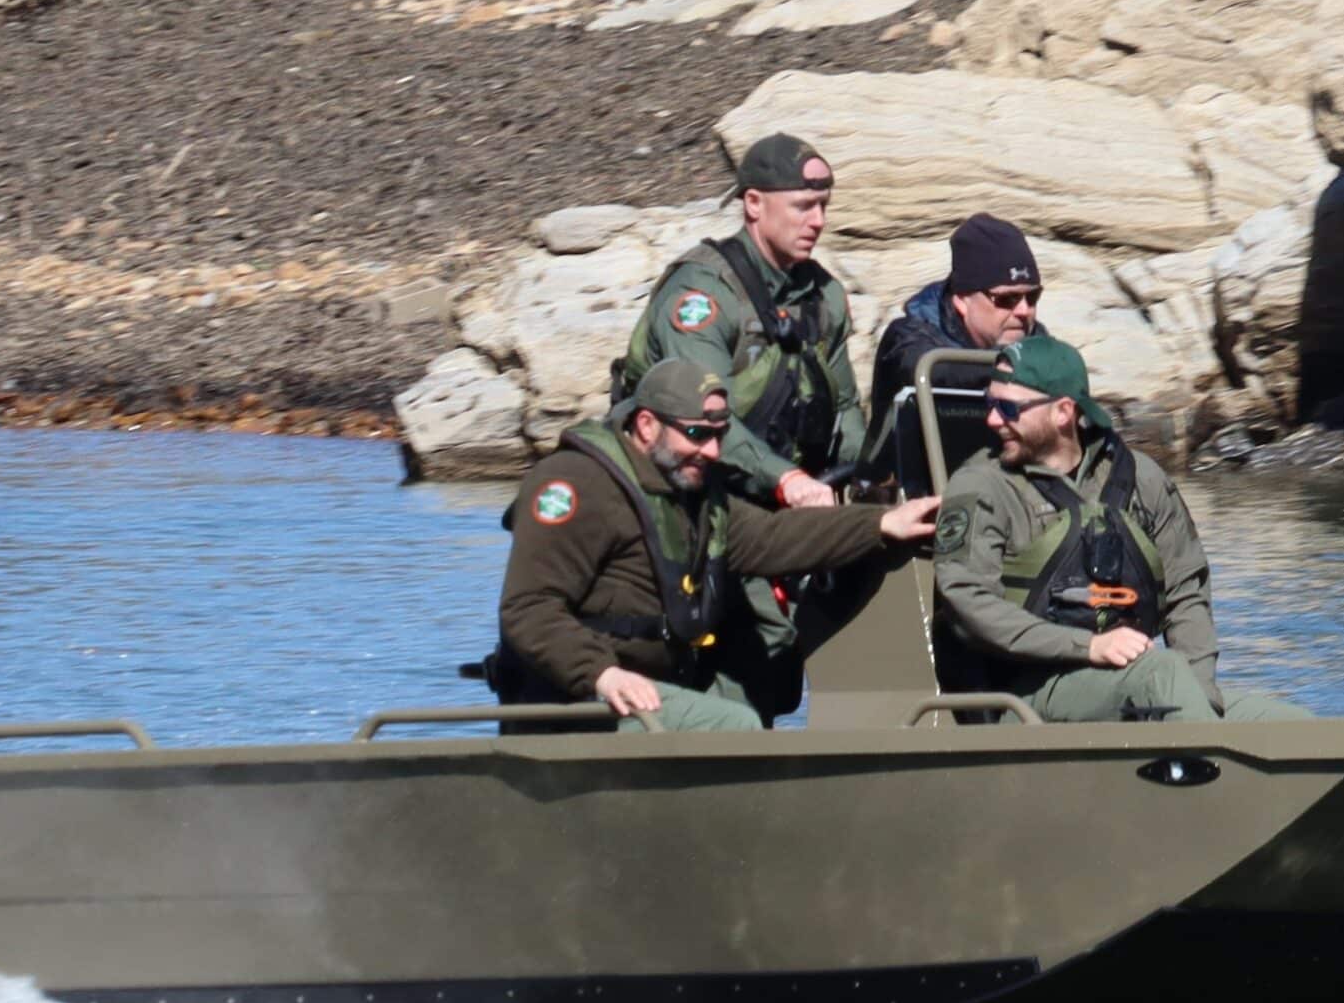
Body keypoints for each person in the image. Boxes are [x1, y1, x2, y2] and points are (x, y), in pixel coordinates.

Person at [496, 360, 940, 732]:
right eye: (695, 435)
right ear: (647, 425)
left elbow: (772, 537)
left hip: (652, 681)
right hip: (577, 697)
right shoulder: (575, 485)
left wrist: (881, 522)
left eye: (719, 435)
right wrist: (601, 674)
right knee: (735, 729)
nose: (710, 451)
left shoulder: (692, 494)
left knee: (762, 684)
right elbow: (529, 608)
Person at [933, 335, 1301, 723]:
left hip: (1134, 683)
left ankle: (1203, 747)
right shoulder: (982, 487)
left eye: (1008, 408)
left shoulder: (1141, 478)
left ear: (1063, 412)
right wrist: (1088, 646)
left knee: (1289, 728)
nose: (992, 420)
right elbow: (969, 602)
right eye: (990, 404)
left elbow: (1185, 593)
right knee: (1160, 675)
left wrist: (1202, 697)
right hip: (1028, 692)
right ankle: (1205, 759)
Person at [614, 132, 864, 509]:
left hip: (789, 497)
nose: (819, 221)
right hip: (686, 492)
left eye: (824, 206)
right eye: (803, 207)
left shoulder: (824, 295)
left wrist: (876, 473)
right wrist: (785, 478)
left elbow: (844, 410)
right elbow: (702, 417)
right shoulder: (704, 293)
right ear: (753, 204)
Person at [867, 212, 1045, 418]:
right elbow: (926, 369)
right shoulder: (909, 337)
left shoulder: (1035, 337)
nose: (1024, 311)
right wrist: (1011, 366)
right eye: (1006, 299)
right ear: (962, 300)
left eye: (1032, 297)